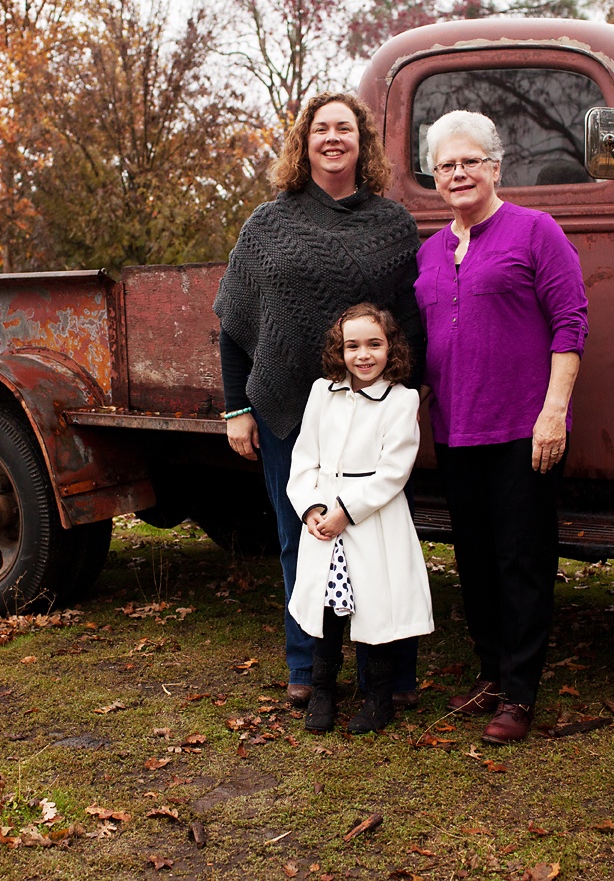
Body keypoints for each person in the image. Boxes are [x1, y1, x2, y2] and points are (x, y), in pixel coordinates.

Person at [214, 93, 426, 709]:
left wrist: (409, 402)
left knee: (382, 542)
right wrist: (236, 408)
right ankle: (308, 669)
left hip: (373, 415)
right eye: (321, 128)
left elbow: (410, 322)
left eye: (346, 128)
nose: (333, 138)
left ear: (363, 142)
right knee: (299, 537)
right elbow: (234, 323)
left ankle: (389, 678)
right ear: (303, 142)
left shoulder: (392, 224)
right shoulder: (269, 223)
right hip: (292, 414)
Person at [415, 110, 588, 745]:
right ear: (435, 178)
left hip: (523, 429)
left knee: (523, 561)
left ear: (494, 167)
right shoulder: (430, 252)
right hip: (456, 430)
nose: (458, 173)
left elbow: (571, 323)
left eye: (469, 162)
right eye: (445, 166)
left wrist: (554, 412)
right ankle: (491, 674)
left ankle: (519, 693)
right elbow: (429, 340)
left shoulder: (535, 231)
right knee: (476, 560)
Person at [286, 304, 434, 733]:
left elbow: (393, 471)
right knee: (327, 608)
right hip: (322, 520)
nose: (363, 355)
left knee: (377, 606)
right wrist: (314, 509)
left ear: (391, 349)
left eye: (374, 344)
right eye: (353, 346)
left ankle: (379, 698)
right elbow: (304, 459)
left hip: (373, 520)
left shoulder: (401, 400)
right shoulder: (321, 393)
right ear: (340, 350)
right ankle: (324, 692)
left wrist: (345, 513)